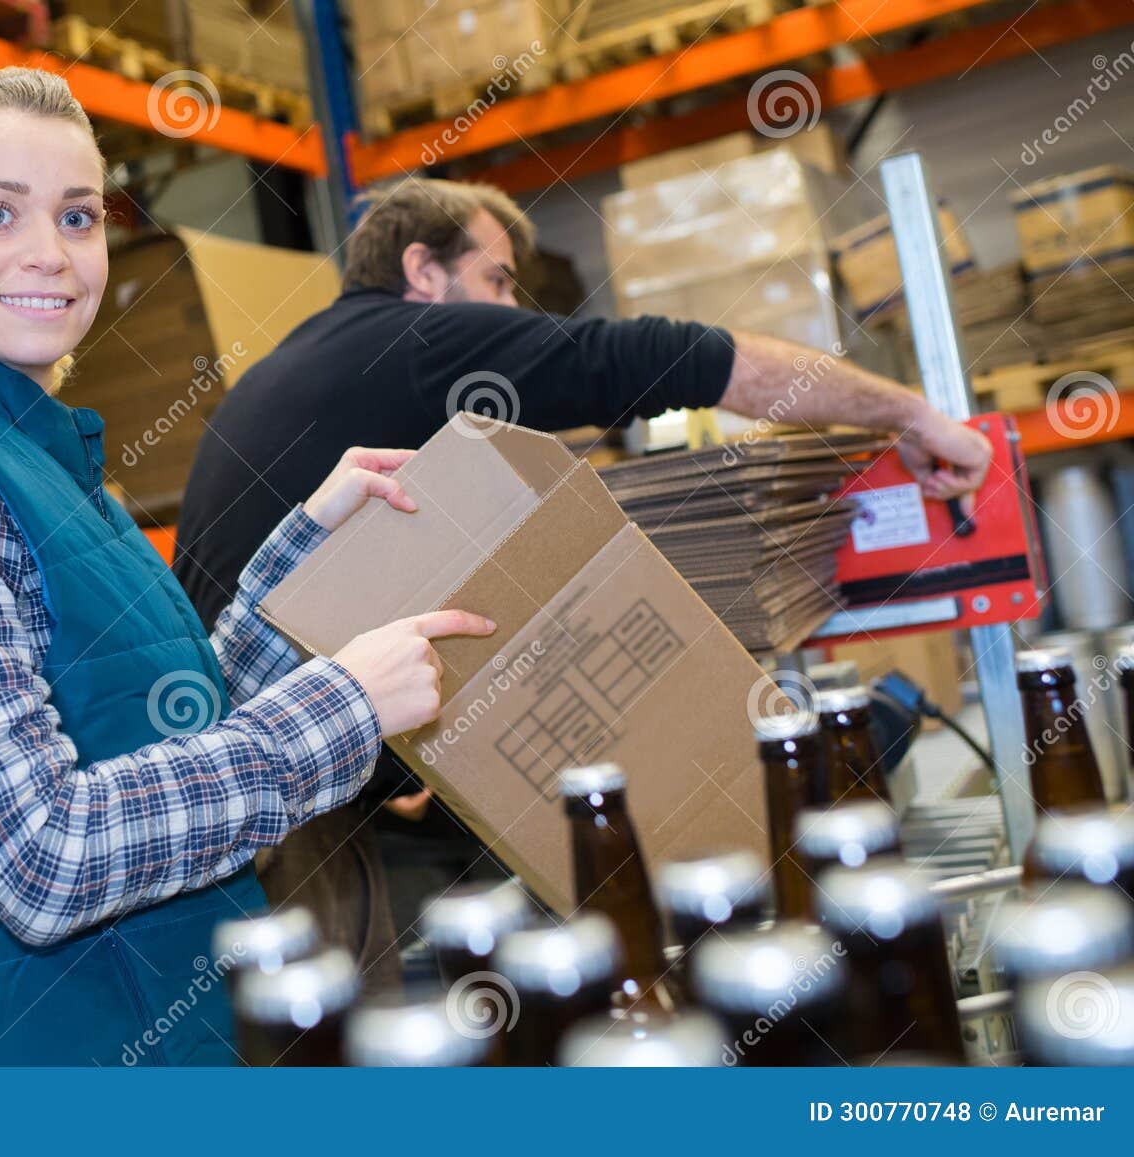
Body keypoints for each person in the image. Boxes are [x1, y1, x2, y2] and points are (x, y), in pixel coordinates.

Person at [0, 69, 495, 1066]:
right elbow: (43, 856)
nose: (50, 253)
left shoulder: (48, 464)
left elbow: (173, 719)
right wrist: (340, 706)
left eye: (78, 217)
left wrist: (307, 542)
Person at [171, 176, 993, 974]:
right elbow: (668, 359)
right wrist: (912, 416)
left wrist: (390, 763)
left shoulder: (304, 366)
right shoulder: (422, 341)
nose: (510, 310)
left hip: (240, 771)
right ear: (423, 271)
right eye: (495, 279)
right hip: (267, 804)